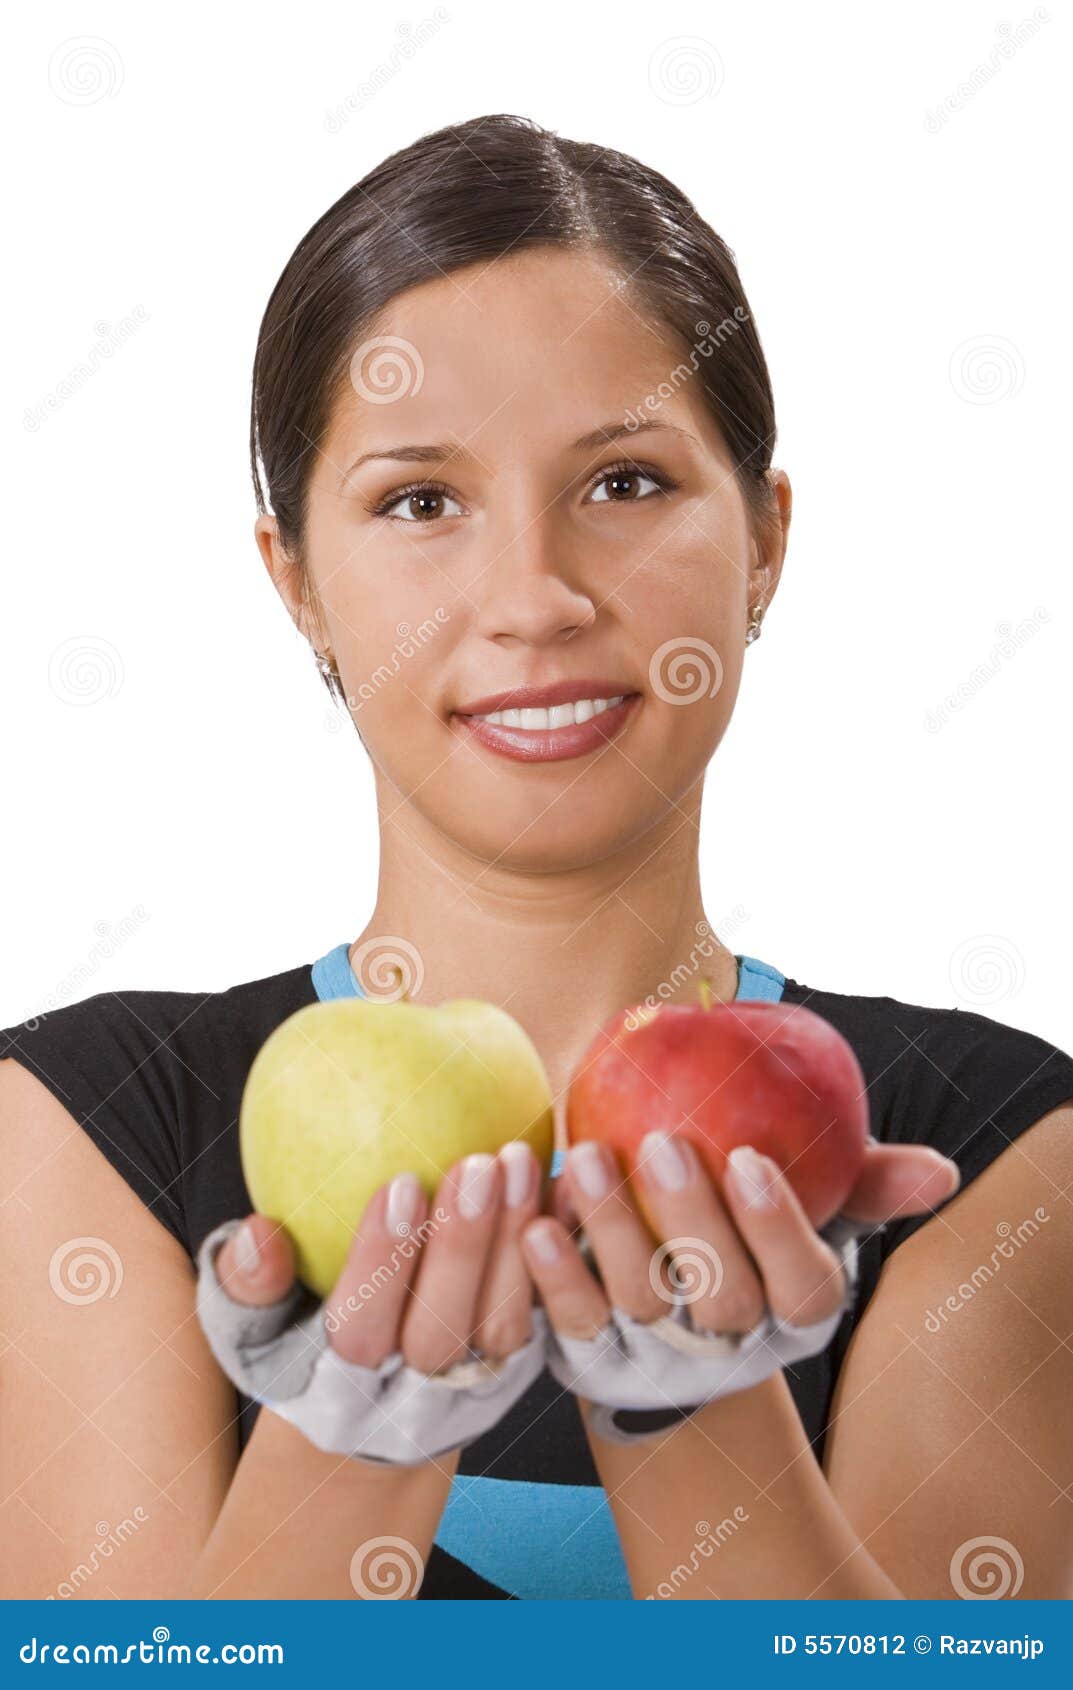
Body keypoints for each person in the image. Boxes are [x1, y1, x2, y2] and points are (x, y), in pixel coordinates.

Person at [3, 114, 1072, 1603]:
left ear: (763, 540)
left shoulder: (992, 1147)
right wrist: (351, 1444)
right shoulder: (87, 1124)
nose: (534, 595)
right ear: (296, 582)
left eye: (624, 481)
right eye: (420, 501)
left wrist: (689, 1406)